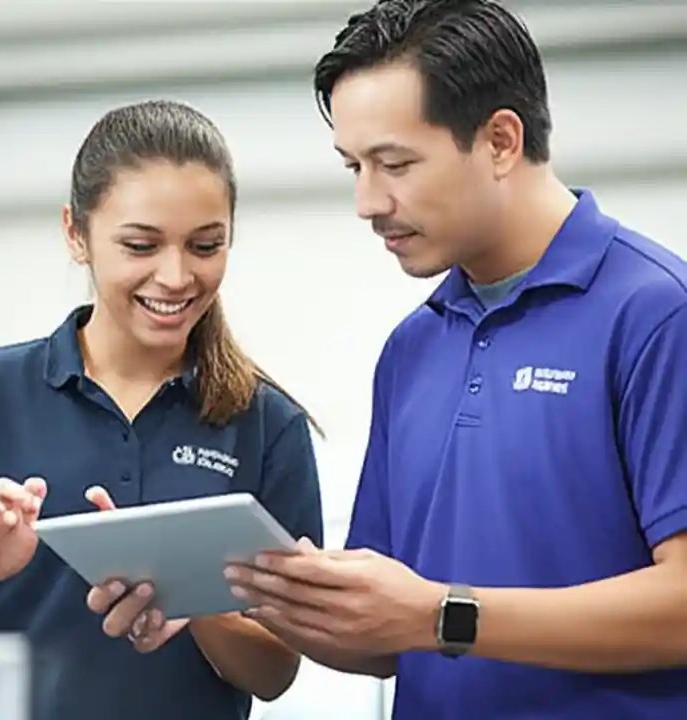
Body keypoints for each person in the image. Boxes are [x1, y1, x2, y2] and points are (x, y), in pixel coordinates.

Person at [222, 1, 687, 718]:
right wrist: (219, 596)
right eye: (354, 166)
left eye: (395, 164)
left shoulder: (657, 314)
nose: (367, 202)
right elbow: (384, 636)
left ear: (501, 139)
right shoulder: (413, 347)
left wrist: (445, 616)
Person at [0, 99, 324, 720]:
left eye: (206, 245)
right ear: (75, 234)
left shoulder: (265, 423)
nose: (176, 275)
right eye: (140, 245)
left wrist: (193, 599)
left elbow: (275, 670)